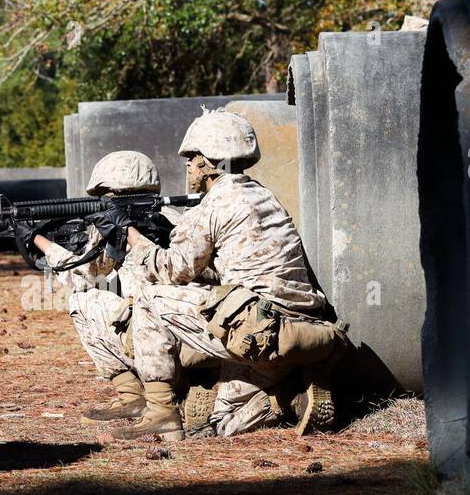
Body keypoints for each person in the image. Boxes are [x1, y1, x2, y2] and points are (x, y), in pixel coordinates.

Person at [102, 110, 342, 441]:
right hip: (298, 330)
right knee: (220, 421)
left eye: (192, 157)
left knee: (147, 298)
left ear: (210, 161)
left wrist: (129, 234)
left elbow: (172, 270)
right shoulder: (264, 196)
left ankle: (161, 412)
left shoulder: (214, 204)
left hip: (254, 333)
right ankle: (288, 395)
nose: (187, 164)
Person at [27, 150, 169, 424]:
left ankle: (133, 397)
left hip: (154, 337)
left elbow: (82, 275)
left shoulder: (122, 227)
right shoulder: (175, 217)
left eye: (106, 196)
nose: (100, 203)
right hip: (186, 333)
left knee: (83, 301)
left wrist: (38, 241)